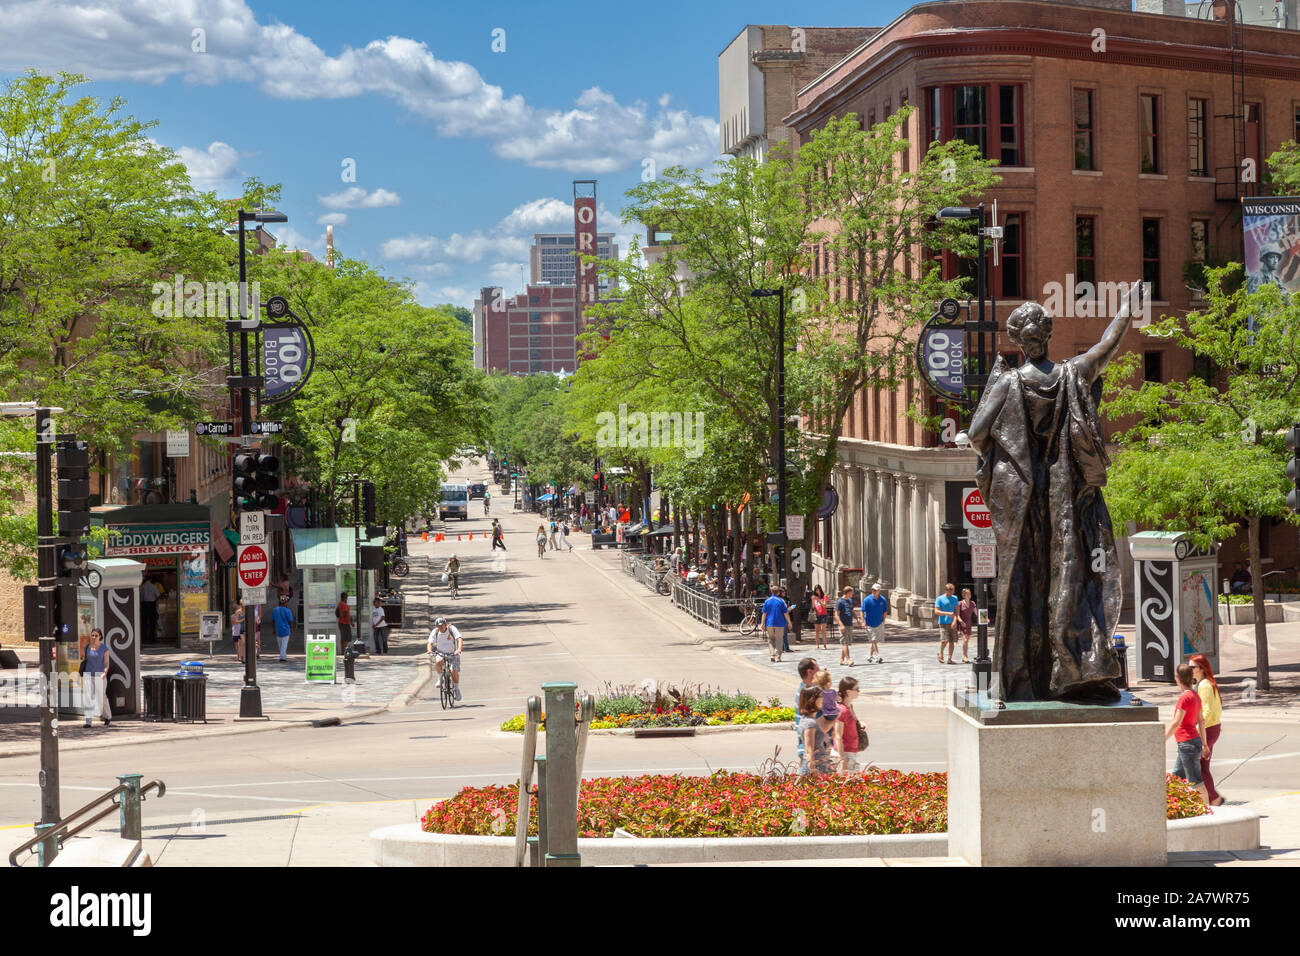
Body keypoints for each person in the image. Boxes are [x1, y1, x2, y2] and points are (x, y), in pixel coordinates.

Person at [1164, 662, 1209, 804]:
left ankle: (1210, 810)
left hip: (1187, 743)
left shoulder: (1184, 698)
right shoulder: (1195, 696)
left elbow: (1176, 722)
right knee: (1176, 778)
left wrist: (1162, 739)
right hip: (1192, 742)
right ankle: (1173, 808)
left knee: (1195, 781)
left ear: (1178, 679)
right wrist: (1204, 744)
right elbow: (1201, 721)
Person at [1189, 653, 1225, 806]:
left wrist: (1198, 733)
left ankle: (1213, 798)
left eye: (1192, 667)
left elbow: (1207, 711)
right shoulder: (1209, 683)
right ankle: (1211, 798)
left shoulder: (1204, 685)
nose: (1189, 669)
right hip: (1213, 728)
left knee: (1199, 767)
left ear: (1201, 668)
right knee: (1203, 766)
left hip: (1208, 728)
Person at [797, 686, 836, 776]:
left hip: (821, 764)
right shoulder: (809, 723)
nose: (823, 700)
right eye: (821, 696)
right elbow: (809, 748)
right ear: (812, 700)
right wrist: (813, 770)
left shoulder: (808, 719)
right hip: (817, 768)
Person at [426, 617, 464, 701]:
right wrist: (429, 650)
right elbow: (430, 643)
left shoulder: (451, 629)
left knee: (453, 670)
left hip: (453, 653)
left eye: (441, 625)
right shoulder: (435, 632)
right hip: (441, 653)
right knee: (438, 661)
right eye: (438, 626)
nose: (440, 627)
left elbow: (459, 640)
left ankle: (457, 689)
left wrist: (459, 649)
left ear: (445, 624)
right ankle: (440, 679)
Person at [81, 628, 111, 728]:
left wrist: (104, 673)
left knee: (101, 697)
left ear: (100, 637)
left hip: (100, 676)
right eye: (92, 635)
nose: (94, 637)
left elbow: (107, 663)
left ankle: (107, 716)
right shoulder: (87, 647)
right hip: (88, 675)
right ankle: (88, 721)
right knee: (88, 698)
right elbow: (84, 661)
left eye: (96, 635)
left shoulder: (104, 648)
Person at [834, 677, 864, 774]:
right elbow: (837, 736)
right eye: (856, 689)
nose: (859, 691)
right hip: (845, 753)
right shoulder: (842, 711)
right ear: (848, 692)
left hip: (851, 752)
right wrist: (843, 762)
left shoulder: (849, 707)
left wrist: (860, 724)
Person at [762, 586, 792, 662]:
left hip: (769, 623)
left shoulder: (767, 601)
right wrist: (789, 622)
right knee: (779, 640)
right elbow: (785, 613)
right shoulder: (781, 601)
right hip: (780, 623)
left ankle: (772, 655)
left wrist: (762, 623)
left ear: (771, 591)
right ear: (778, 592)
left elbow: (764, 613)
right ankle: (778, 657)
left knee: (771, 639)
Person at [860, 583, 888, 664]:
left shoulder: (883, 600)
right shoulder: (867, 599)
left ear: (879, 591)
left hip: (879, 623)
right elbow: (862, 611)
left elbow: (885, 611)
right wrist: (863, 621)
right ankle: (878, 656)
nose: (873, 591)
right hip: (869, 623)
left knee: (874, 641)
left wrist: (883, 620)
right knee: (874, 639)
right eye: (872, 590)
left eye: (875, 590)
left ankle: (870, 656)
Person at [935, 583, 959, 664]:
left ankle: (949, 658)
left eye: (952, 591)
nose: (951, 593)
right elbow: (936, 611)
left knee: (952, 641)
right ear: (945, 590)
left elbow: (957, 612)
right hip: (943, 623)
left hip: (952, 622)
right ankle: (941, 653)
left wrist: (955, 621)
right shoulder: (939, 599)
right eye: (949, 591)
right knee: (944, 640)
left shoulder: (955, 598)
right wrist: (947, 613)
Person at [835, 586, 856, 666]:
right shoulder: (840, 602)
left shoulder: (850, 601)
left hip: (849, 624)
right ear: (847, 593)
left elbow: (852, 610)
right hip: (843, 625)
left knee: (846, 643)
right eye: (852, 592)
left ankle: (841, 659)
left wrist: (857, 619)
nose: (853, 594)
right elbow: (836, 615)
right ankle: (848, 660)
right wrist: (841, 625)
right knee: (845, 643)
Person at [271, 597, 295, 662]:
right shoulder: (288, 611)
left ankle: (283, 655)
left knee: (280, 645)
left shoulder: (275, 610)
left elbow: (272, 620)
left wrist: (273, 629)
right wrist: (291, 628)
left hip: (278, 630)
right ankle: (282, 657)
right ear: (285, 603)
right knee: (284, 644)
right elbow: (290, 621)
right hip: (286, 630)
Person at [956, 588, 977, 664]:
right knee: (965, 639)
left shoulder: (972, 603)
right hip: (962, 623)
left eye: (970, 593)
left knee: (967, 640)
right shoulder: (960, 603)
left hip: (969, 623)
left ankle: (964, 655)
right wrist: (961, 621)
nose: (969, 595)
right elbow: (957, 615)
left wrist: (985, 618)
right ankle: (964, 656)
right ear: (964, 595)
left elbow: (977, 613)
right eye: (967, 594)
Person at [139, 575, 160, 642]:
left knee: (144, 622)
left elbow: (139, 597)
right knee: (152, 623)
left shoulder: (142, 587)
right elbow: (158, 595)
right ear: (151, 579)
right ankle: (152, 638)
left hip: (144, 605)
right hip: (152, 605)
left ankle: (144, 638)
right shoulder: (153, 586)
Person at [811, 585, 829, 650]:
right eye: (816, 590)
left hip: (823, 614)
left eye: (818, 590)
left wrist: (818, 600)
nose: (817, 591)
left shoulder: (824, 596)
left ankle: (824, 645)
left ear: (820, 590)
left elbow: (824, 605)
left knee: (823, 630)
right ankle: (817, 645)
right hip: (816, 615)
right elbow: (813, 607)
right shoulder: (814, 597)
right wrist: (813, 600)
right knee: (817, 630)